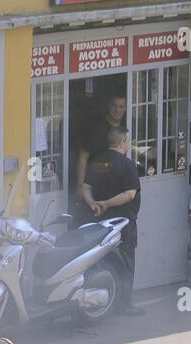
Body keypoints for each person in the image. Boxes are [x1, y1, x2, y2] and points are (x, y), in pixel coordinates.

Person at [81, 125, 143, 316]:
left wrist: (93, 204)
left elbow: (85, 186)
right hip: (122, 224)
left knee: (101, 261)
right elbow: (130, 194)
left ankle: (100, 301)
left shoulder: (98, 162)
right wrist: (107, 203)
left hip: (99, 224)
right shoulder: (127, 165)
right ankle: (124, 305)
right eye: (128, 141)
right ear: (122, 142)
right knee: (125, 263)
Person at [74, 92, 127, 222]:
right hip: (96, 185)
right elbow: (83, 156)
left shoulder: (127, 126)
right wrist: (80, 185)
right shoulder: (97, 130)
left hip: (117, 187)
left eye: (121, 106)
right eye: (114, 105)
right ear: (108, 106)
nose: (117, 110)